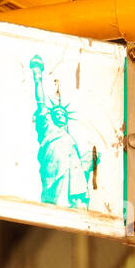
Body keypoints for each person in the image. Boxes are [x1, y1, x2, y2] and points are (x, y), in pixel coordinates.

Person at [30, 55, 93, 208]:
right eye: (56, 113)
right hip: (52, 166)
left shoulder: (69, 138)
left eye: (63, 114)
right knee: (53, 200)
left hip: (70, 173)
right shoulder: (46, 127)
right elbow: (41, 103)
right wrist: (37, 78)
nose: (60, 115)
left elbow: (78, 167)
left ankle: (76, 202)